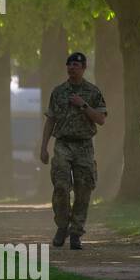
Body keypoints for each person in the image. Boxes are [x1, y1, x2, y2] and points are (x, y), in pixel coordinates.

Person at [40, 52, 107, 250]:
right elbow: (50, 119)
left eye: (76, 65)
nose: (72, 67)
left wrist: (83, 104)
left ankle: (76, 232)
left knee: (83, 190)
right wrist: (43, 147)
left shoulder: (93, 92)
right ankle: (62, 226)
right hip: (62, 144)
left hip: (84, 146)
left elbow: (101, 119)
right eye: (69, 64)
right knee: (61, 187)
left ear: (84, 68)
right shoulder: (58, 92)